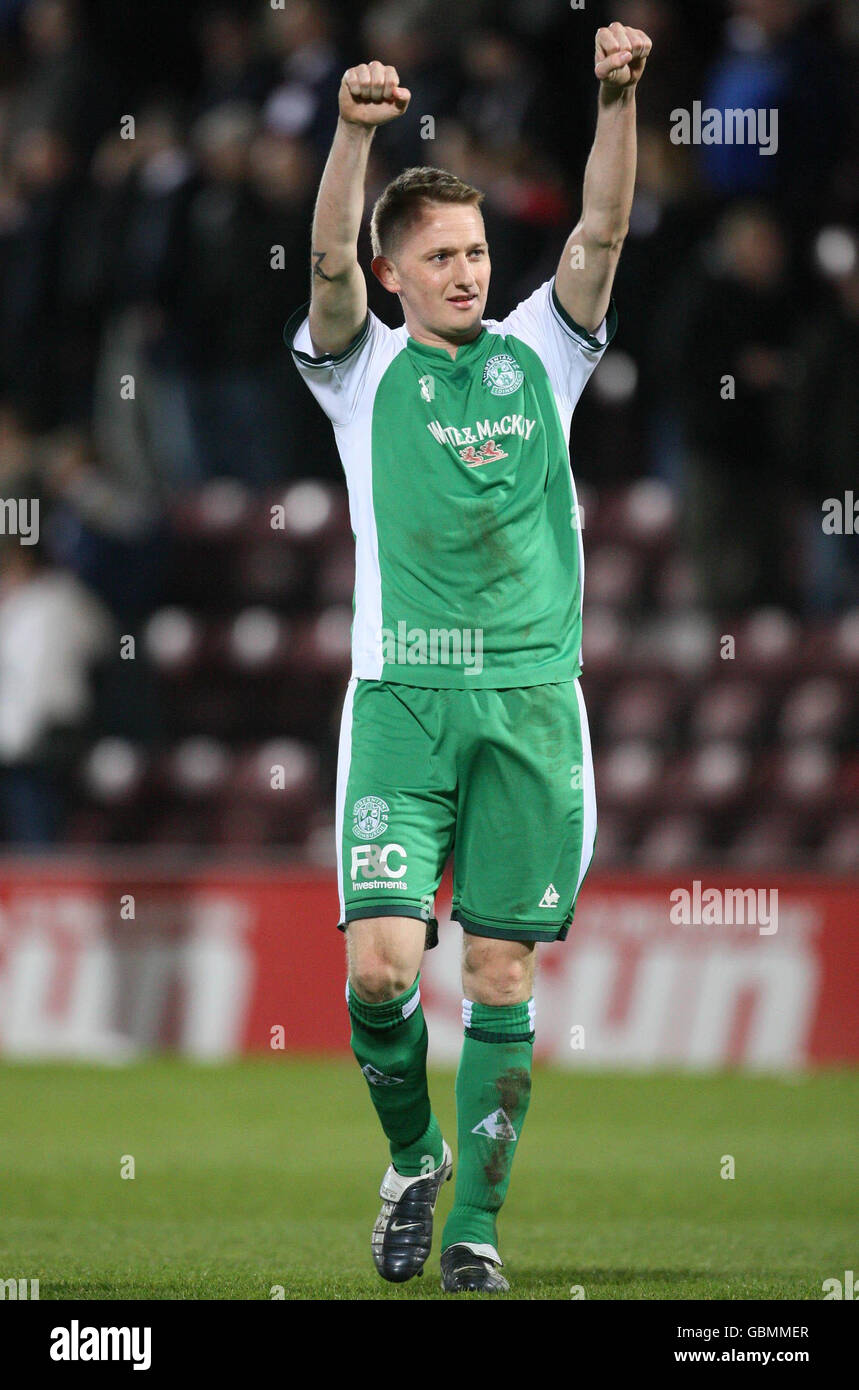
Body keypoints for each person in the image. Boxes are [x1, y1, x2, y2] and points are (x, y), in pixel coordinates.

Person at [284, 23, 650, 1294]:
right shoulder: (361, 370)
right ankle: (411, 1155)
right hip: (400, 699)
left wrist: (614, 100)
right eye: (437, 256)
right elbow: (325, 251)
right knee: (382, 970)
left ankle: (478, 1236)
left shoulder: (540, 355)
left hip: (531, 703)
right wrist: (352, 132)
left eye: (477, 252)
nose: (464, 273)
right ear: (392, 276)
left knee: (498, 970)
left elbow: (599, 237)